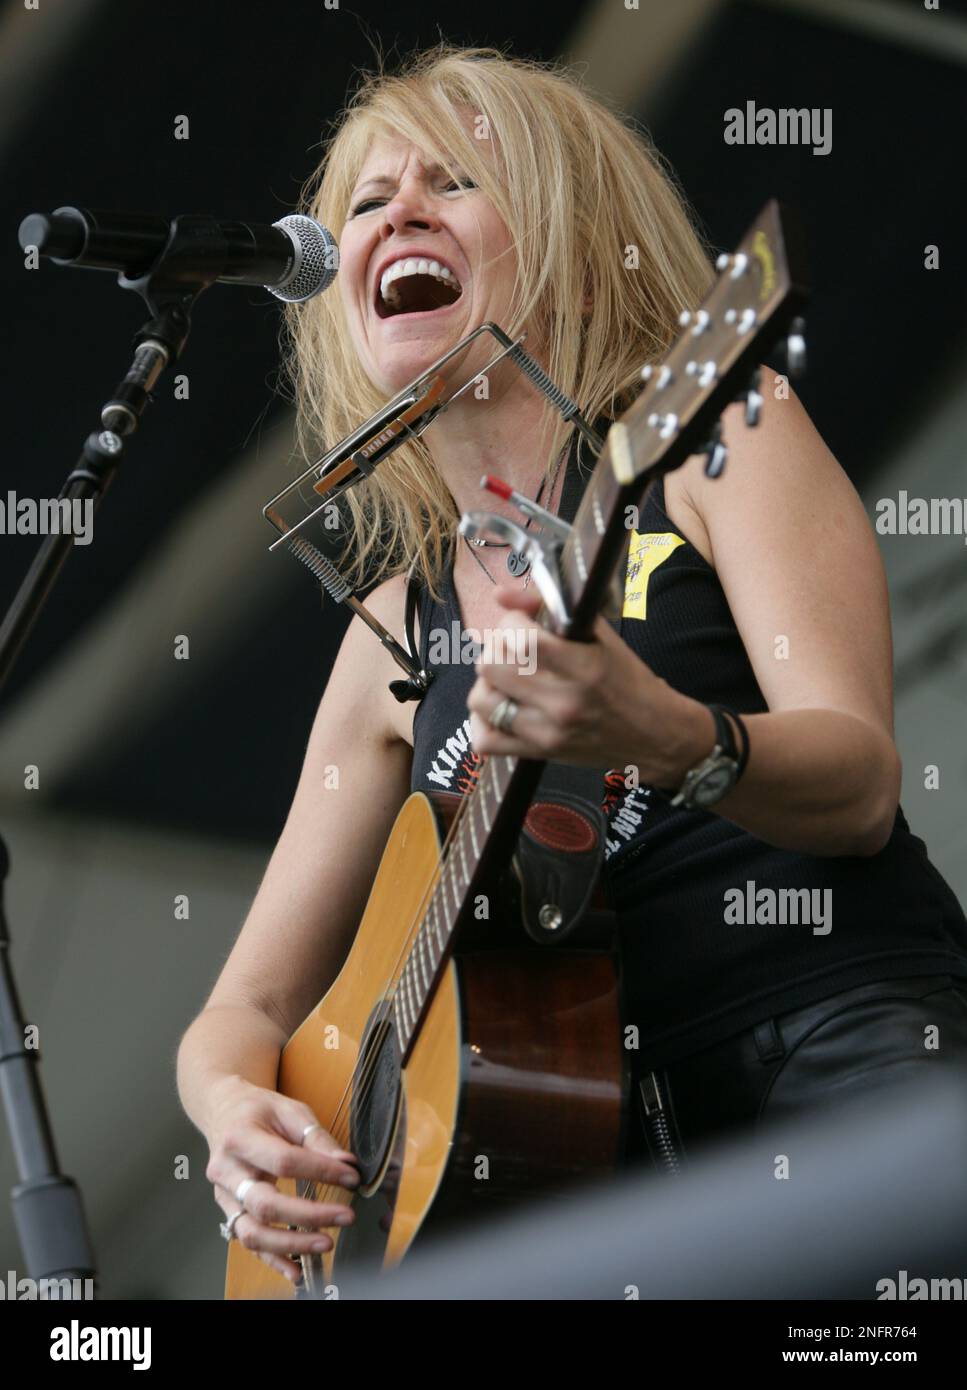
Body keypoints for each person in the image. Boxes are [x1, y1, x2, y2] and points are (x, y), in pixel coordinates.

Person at [176, 44, 967, 1287]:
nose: (399, 218)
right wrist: (232, 1110)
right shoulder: (389, 624)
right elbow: (241, 1012)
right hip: (578, 1172)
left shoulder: (713, 439)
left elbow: (860, 785)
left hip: (824, 1056)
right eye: (368, 203)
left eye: (454, 182)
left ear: (568, 235)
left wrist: (663, 732)